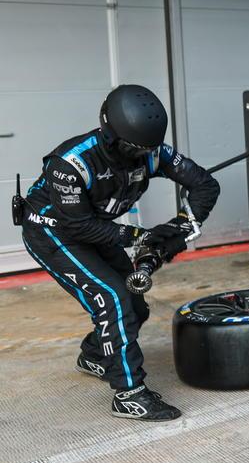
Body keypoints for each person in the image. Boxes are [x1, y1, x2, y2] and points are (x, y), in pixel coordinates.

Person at [18, 85, 220, 421]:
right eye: (131, 149)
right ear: (111, 135)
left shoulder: (152, 151)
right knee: (113, 299)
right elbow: (78, 227)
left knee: (135, 304)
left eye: (146, 150)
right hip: (53, 231)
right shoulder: (70, 163)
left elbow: (205, 185)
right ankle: (129, 394)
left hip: (94, 226)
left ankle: (95, 354)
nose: (139, 157)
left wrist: (180, 230)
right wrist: (139, 235)